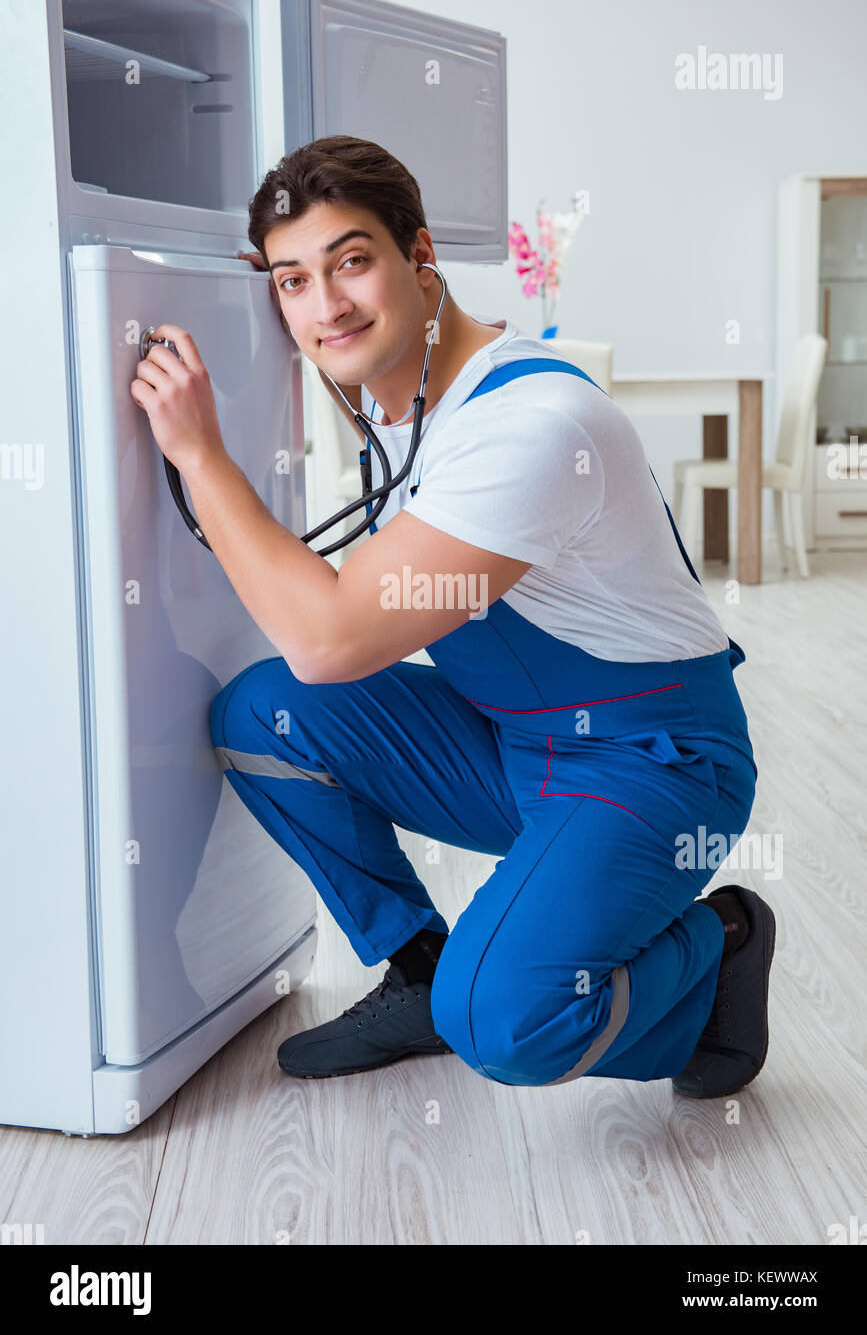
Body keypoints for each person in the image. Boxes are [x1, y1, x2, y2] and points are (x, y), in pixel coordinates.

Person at [139, 134, 775, 1095]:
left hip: (648, 767)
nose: (325, 305)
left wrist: (201, 457)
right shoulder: (411, 395)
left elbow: (329, 638)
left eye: (352, 261)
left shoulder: (527, 428)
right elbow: (335, 338)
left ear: (419, 258)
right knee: (261, 714)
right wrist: (234, 296)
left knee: (509, 1025)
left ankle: (718, 949)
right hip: (511, 742)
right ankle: (420, 967)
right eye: (291, 282)